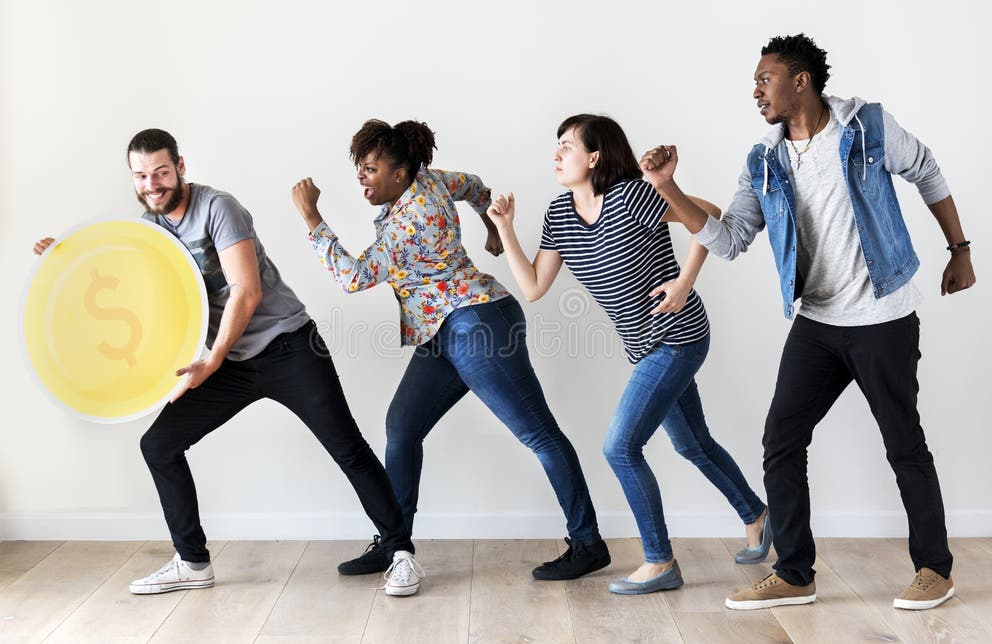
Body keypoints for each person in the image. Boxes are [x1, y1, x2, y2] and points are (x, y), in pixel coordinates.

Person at [644, 34, 975, 610]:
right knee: (781, 440)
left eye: (764, 79)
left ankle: (934, 570)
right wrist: (667, 187)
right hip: (817, 323)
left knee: (903, 444)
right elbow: (728, 242)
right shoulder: (763, 160)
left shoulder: (867, 126)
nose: (755, 91)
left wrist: (960, 248)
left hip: (882, 317)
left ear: (801, 80)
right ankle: (795, 572)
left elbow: (926, 168)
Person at [33, 128, 424, 597]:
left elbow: (247, 290)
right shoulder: (150, 228)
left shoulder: (219, 208)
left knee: (347, 448)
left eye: (160, 171)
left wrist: (211, 359)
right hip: (228, 363)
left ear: (180, 166)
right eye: (141, 176)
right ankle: (193, 562)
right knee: (158, 446)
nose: (152, 184)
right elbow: (129, 290)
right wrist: (66, 257)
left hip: (288, 346)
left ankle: (400, 553)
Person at [291, 119, 610, 581]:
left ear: (399, 175)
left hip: (478, 327)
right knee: (401, 426)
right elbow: (476, 187)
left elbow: (353, 277)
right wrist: (492, 228)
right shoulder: (429, 179)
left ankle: (587, 542)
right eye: (360, 168)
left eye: (370, 169)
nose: (361, 177)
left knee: (538, 434)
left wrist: (311, 219)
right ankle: (395, 544)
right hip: (444, 332)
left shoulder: (410, 219)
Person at [487, 114, 770, 595]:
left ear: (594, 157)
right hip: (642, 346)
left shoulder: (633, 195)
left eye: (566, 146)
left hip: (679, 335)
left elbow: (711, 217)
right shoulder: (559, 214)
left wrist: (684, 282)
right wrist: (506, 229)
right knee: (691, 444)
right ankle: (759, 516)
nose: (556, 155)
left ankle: (660, 561)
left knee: (620, 447)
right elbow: (533, 287)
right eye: (556, 146)